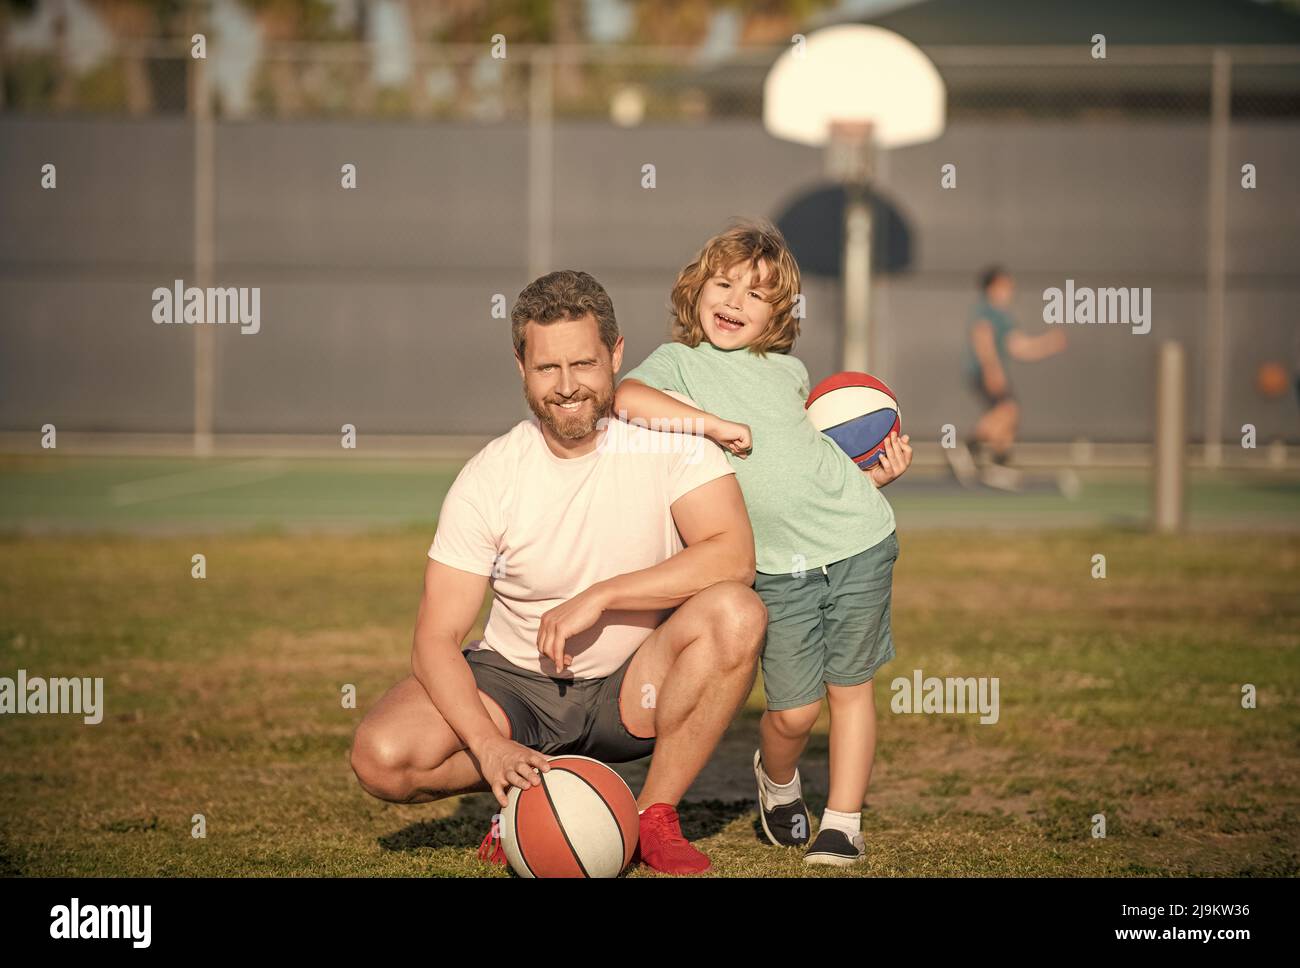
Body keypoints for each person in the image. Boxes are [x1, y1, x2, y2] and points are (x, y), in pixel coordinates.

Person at [349, 269, 768, 875]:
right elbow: (435, 639)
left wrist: (603, 596)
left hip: (632, 686)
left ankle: (653, 817)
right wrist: (490, 747)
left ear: (616, 354)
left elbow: (734, 557)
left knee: (737, 612)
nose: (568, 387)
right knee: (382, 757)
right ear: (521, 366)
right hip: (516, 688)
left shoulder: (672, 442)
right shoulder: (489, 477)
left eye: (584, 364)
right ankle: (527, 799)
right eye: (548, 368)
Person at [615, 219, 912, 866]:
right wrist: (711, 425)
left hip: (861, 536)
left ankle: (843, 821)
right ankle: (778, 783)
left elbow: (802, 460)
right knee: (794, 715)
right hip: (779, 570)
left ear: (778, 315)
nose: (734, 301)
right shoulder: (678, 365)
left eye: (756, 295)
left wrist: (869, 477)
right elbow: (625, 399)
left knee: (851, 688)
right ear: (695, 291)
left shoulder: (789, 371)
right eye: (722, 284)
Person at [947, 266, 1067, 490]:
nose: (1009, 290)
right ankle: (966, 447)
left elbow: (1019, 347)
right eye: (1004, 285)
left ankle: (998, 462)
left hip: (993, 371)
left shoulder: (1003, 316)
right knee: (1008, 410)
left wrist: (1048, 344)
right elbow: (983, 339)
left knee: (1010, 420)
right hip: (984, 372)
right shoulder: (986, 311)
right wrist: (992, 369)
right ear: (992, 287)